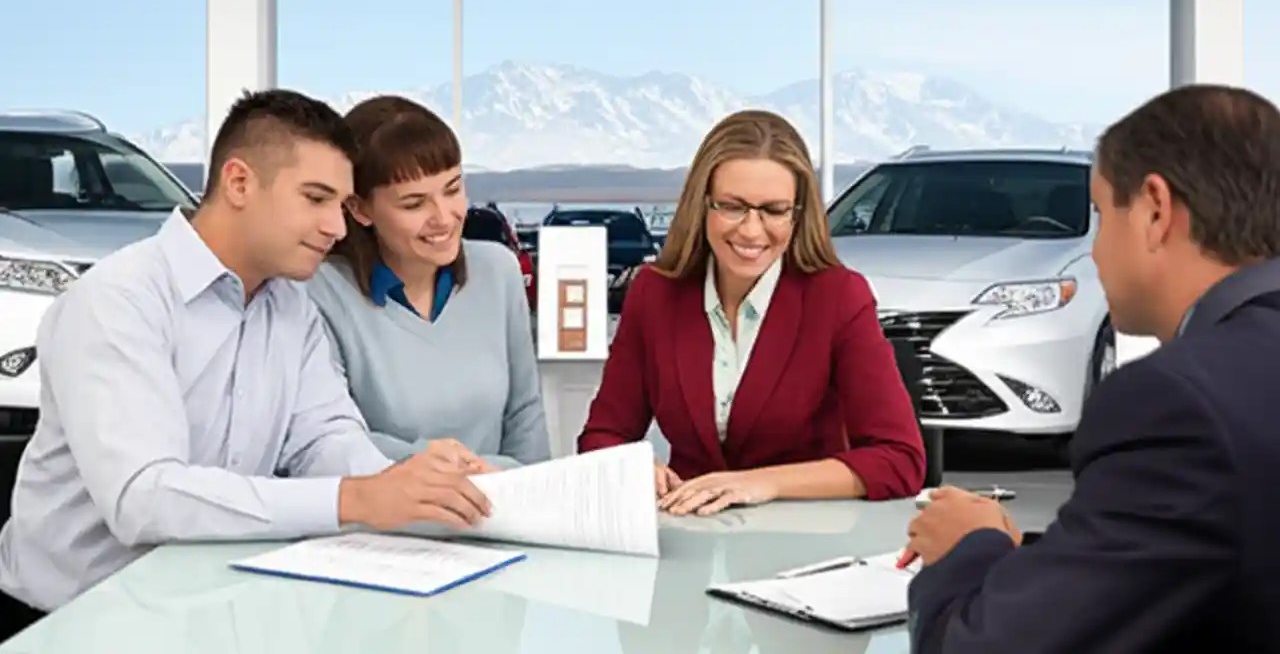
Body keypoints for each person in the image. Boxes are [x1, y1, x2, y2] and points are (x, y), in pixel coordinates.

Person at [0, 90, 491, 637]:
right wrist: (358, 498)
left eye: (342, 204)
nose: (337, 227)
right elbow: (143, 499)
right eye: (316, 198)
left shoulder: (291, 307)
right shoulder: (117, 300)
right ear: (239, 183)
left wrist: (411, 486)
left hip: (213, 612)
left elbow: (322, 438)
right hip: (74, 622)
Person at [903, 84, 1280, 652]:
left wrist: (968, 549)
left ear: (1155, 210)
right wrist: (1044, 560)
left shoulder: (1177, 402)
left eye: (1101, 214)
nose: (1098, 251)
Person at [577, 109, 925, 515]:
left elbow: (900, 460)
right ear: (701, 205)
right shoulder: (655, 294)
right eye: (732, 206)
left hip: (803, 550)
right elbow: (601, 437)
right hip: (690, 538)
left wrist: (762, 483)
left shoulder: (839, 297)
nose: (751, 231)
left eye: (774, 210)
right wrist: (632, 468)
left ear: (798, 214)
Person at [306, 95, 549, 469]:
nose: (444, 218)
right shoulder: (318, 293)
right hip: (384, 521)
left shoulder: (498, 271)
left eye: (452, 189)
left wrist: (520, 489)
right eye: (414, 204)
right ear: (360, 209)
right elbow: (327, 439)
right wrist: (439, 466)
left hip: (501, 510)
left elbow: (526, 418)